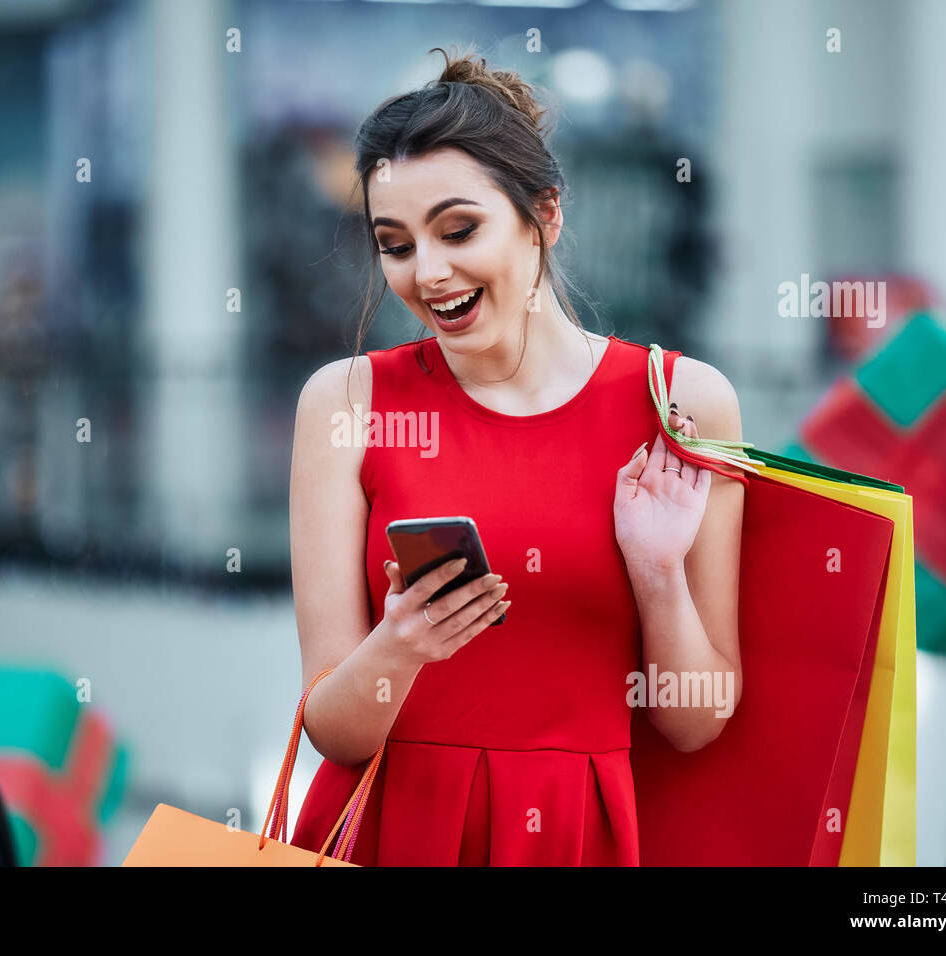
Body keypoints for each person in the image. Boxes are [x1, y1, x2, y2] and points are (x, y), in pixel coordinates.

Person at [287, 45, 744, 866]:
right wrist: (403, 643)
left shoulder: (682, 402)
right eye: (395, 244)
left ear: (546, 216)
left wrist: (658, 574)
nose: (429, 273)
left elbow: (696, 720)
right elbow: (332, 731)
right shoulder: (344, 403)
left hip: (572, 838)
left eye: (459, 229)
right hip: (392, 832)